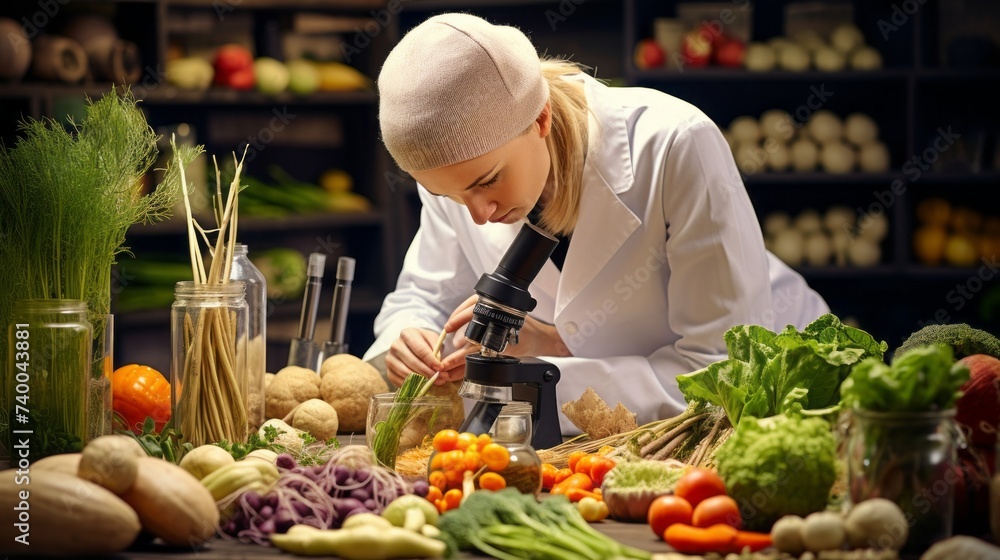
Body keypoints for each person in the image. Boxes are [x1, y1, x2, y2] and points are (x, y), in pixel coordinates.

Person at [362, 13, 829, 435]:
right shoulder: (463, 171)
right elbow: (420, 297)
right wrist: (409, 339)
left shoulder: (675, 145)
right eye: (448, 195)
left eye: (487, 182)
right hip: (617, 428)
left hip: (781, 393)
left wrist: (542, 368)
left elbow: (719, 370)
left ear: (539, 119)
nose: (477, 214)